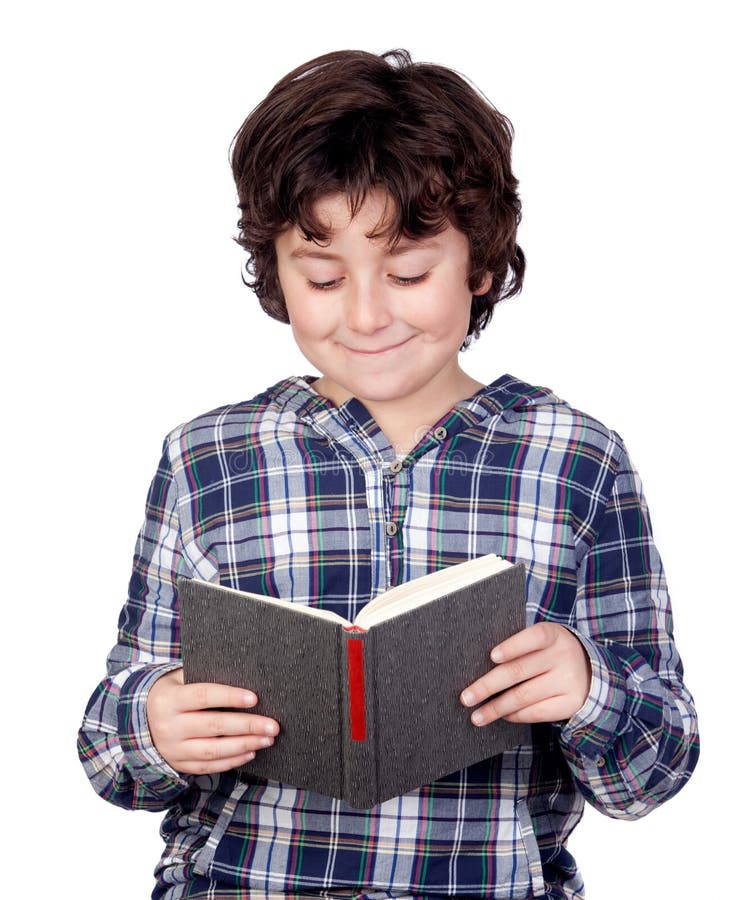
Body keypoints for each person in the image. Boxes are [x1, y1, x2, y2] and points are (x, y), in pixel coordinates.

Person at [77, 49, 699, 900]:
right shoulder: (209, 458)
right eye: (324, 277)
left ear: (480, 264)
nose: (367, 314)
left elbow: (656, 771)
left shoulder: (574, 460)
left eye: (408, 273)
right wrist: (153, 725)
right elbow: (110, 750)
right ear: (277, 275)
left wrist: (588, 688)